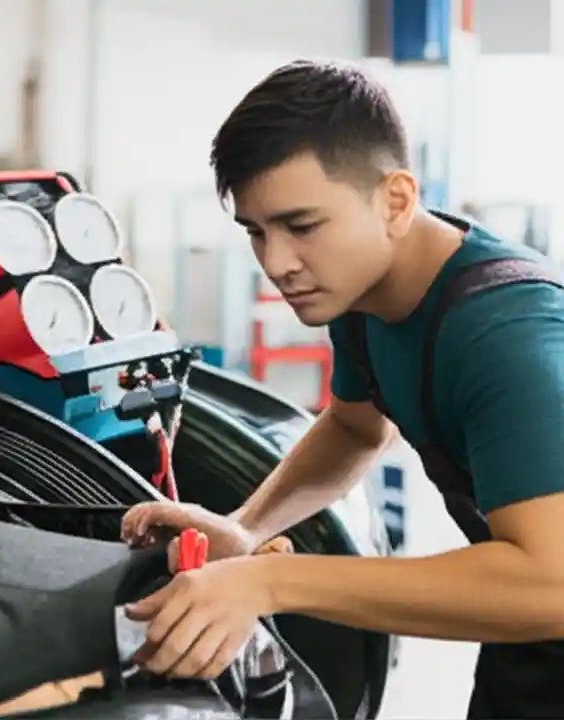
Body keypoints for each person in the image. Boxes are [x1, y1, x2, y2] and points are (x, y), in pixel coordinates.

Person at [119, 60, 564, 718]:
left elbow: (551, 584)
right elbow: (357, 428)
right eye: (256, 232)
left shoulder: (503, 336)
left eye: (301, 226)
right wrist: (246, 529)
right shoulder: (366, 297)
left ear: (395, 200)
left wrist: (271, 581)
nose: (276, 263)